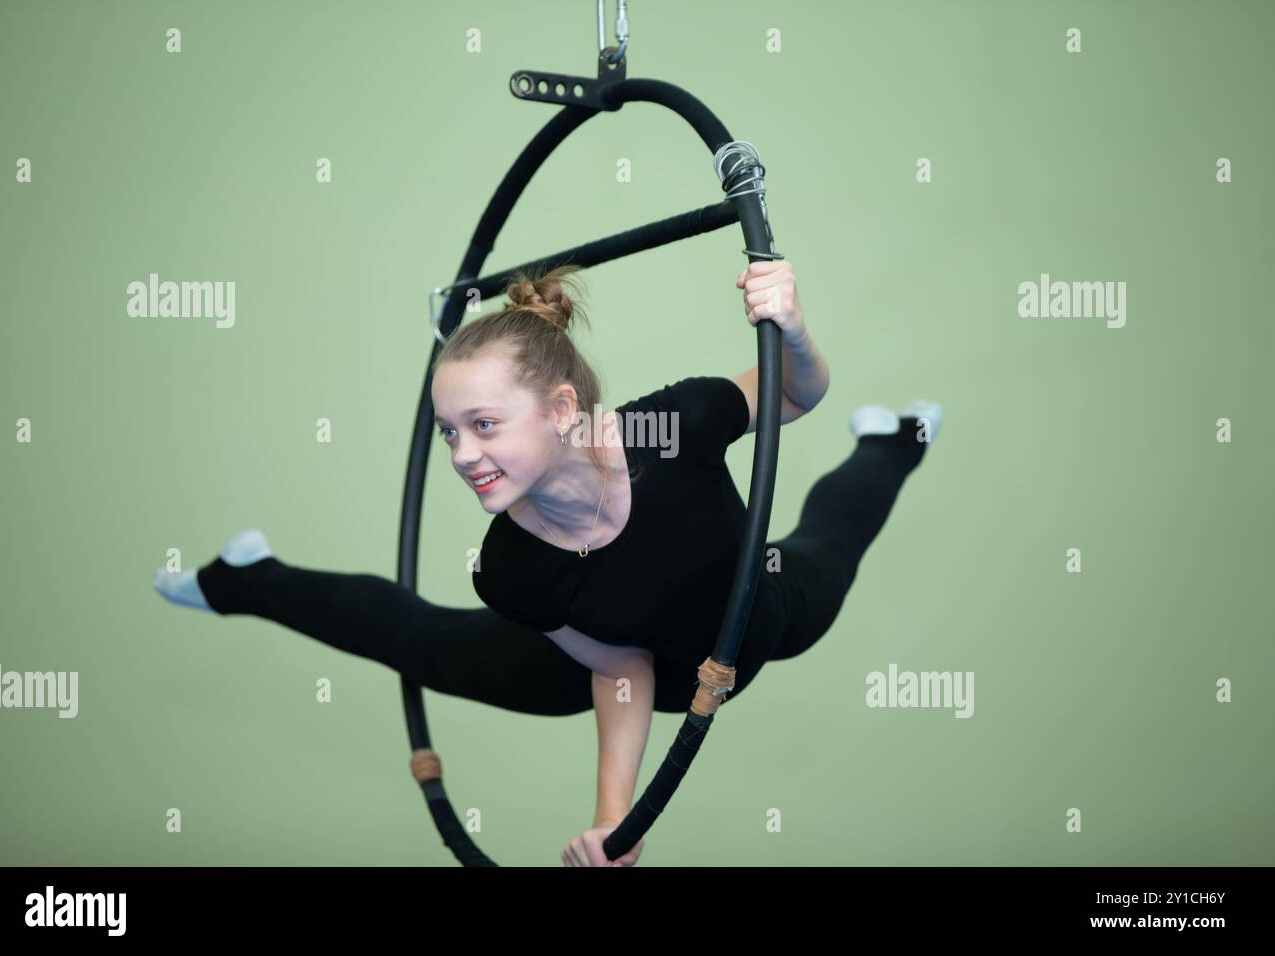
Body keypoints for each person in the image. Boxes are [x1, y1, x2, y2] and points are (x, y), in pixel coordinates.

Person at [153, 260, 942, 868]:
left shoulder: (667, 429)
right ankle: (243, 577)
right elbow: (619, 669)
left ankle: (892, 440)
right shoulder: (511, 569)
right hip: (616, 653)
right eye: (450, 431)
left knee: (830, 543)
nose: (465, 454)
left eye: (486, 424)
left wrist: (793, 328)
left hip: (752, 616)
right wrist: (614, 819)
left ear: (563, 409)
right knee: (422, 641)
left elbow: (793, 395)